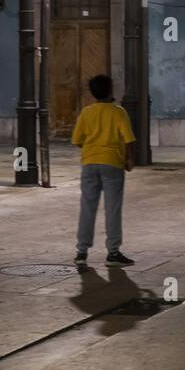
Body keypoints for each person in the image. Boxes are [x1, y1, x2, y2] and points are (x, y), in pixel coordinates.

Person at [71, 74, 135, 268]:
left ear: (92, 93)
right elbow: (129, 139)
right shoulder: (118, 112)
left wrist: (93, 150)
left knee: (87, 208)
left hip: (89, 164)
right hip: (112, 164)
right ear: (110, 90)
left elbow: (77, 140)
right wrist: (128, 159)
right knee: (112, 209)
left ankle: (82, 251)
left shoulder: (86, 112)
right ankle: (113, 253)